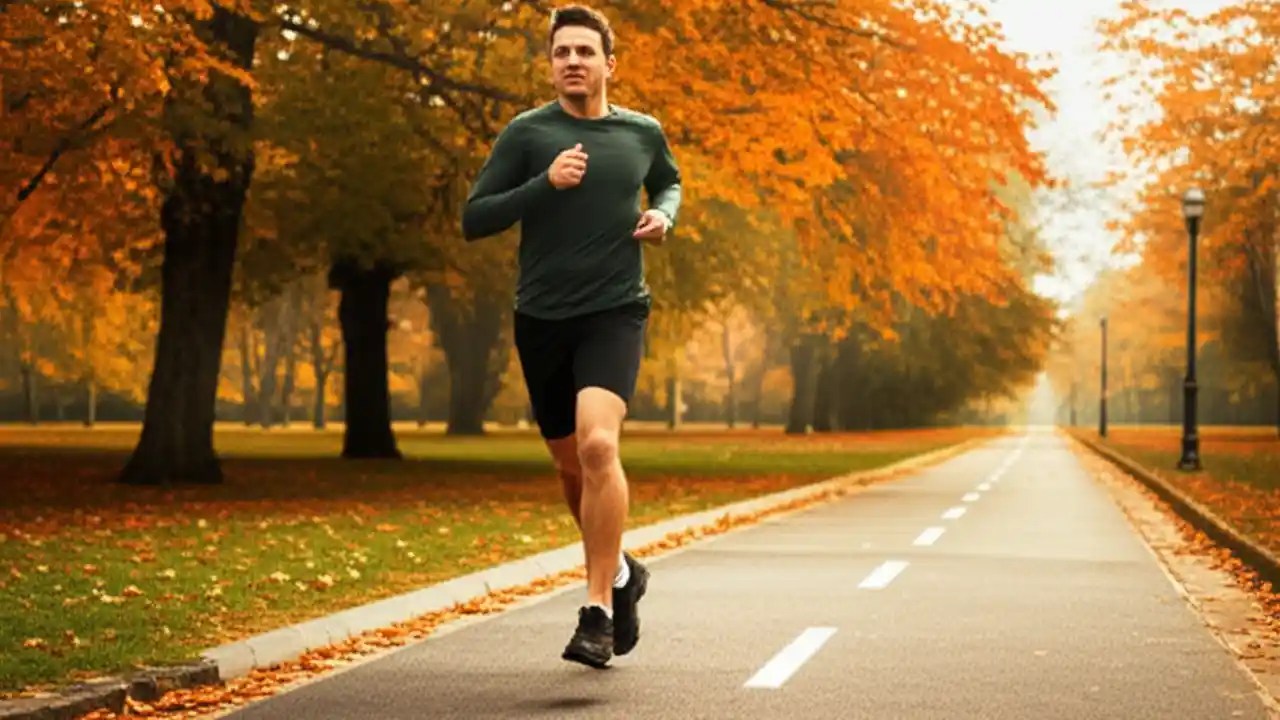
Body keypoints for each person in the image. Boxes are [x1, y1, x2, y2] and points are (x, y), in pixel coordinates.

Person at [460, 4, 682, 669]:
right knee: (569, 466)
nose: (574, 62)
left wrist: (664, 215)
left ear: (609, 64)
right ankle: (620, 574)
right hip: (543, 320)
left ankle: (596, 613)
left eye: (586, 51)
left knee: (596, 443)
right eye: (563, 53)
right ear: (551, 64)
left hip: (615, 312)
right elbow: (475, 218)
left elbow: (667, 179)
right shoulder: (528, 133)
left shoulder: (641, 132)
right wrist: (543, 184)